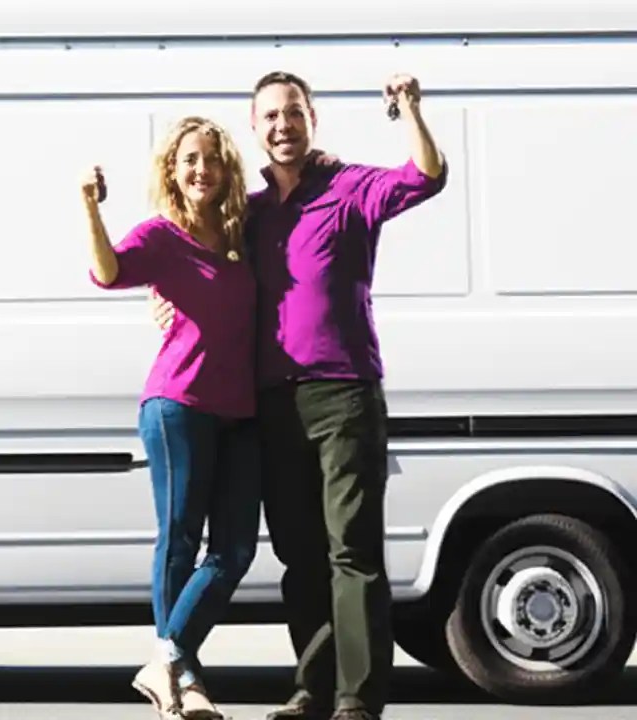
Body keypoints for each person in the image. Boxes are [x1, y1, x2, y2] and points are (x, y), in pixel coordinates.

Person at [150, 72, 448, 720]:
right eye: (270, 117)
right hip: (271, 403)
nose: (282, 125)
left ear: (312, 118)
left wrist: (412, 112)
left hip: (343, 393)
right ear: (255, 130)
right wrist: (166, 296)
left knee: (352, 550)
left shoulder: (351, 187)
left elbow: (426, 175)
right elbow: (195, 256)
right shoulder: (248, 213)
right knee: (299, 555)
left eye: (293, 113)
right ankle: (312, 691)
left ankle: (357, 700)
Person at [81, 116, 262, 720]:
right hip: (177, 404)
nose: (201, 169)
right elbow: (108, 272)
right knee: (180, 538)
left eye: (211, 158)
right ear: (172, 169)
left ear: (226, 168)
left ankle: (167, 660)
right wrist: (90, 208)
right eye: (189, 159)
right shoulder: (162, 234)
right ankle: (183, 680)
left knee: (234, 550)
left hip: (240, 410)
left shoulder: (244, 231)